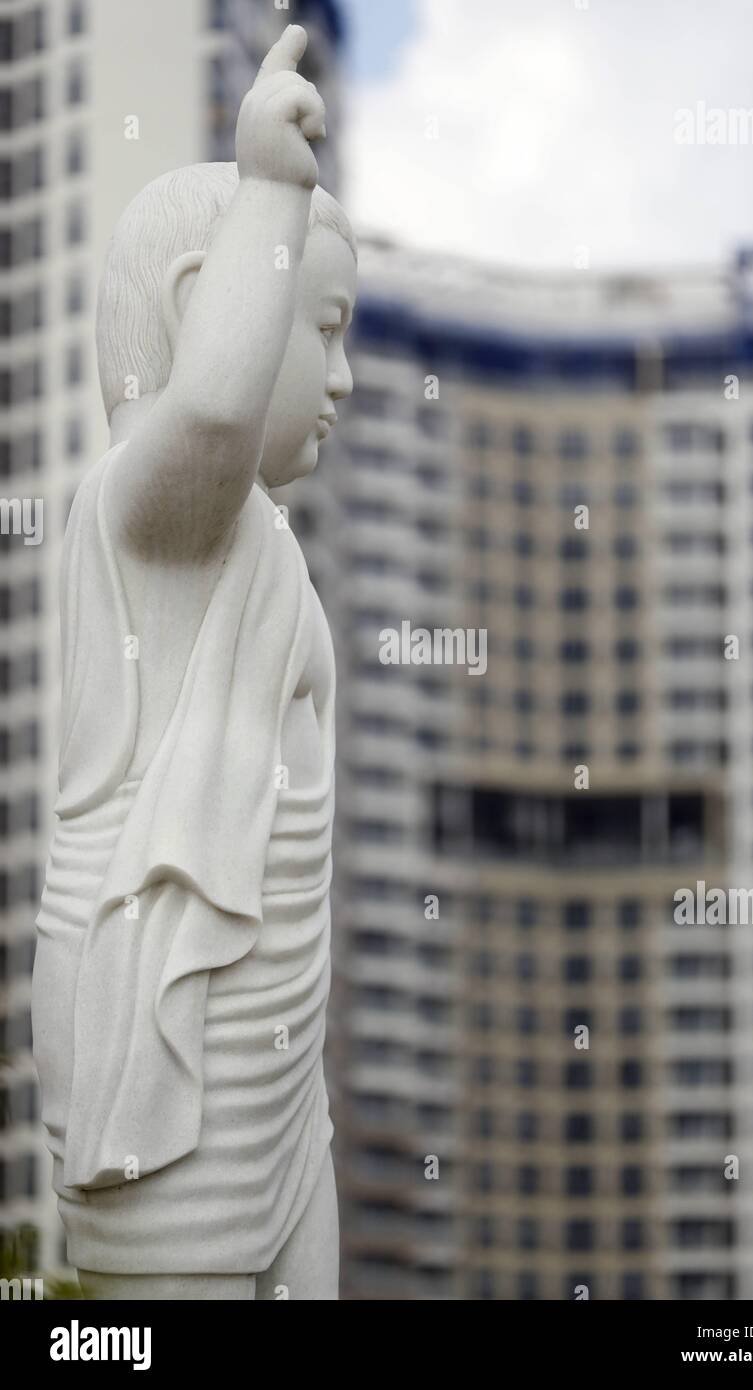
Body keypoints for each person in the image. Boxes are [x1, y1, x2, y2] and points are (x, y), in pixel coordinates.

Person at [31, 24, 356, 1300]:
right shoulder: (142, 515)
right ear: (197, 303)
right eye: (315, 327)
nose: (342, 375)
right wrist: (270, 185)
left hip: (272, 1060)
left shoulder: (258, 544)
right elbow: (215, 412)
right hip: (161, 1039)